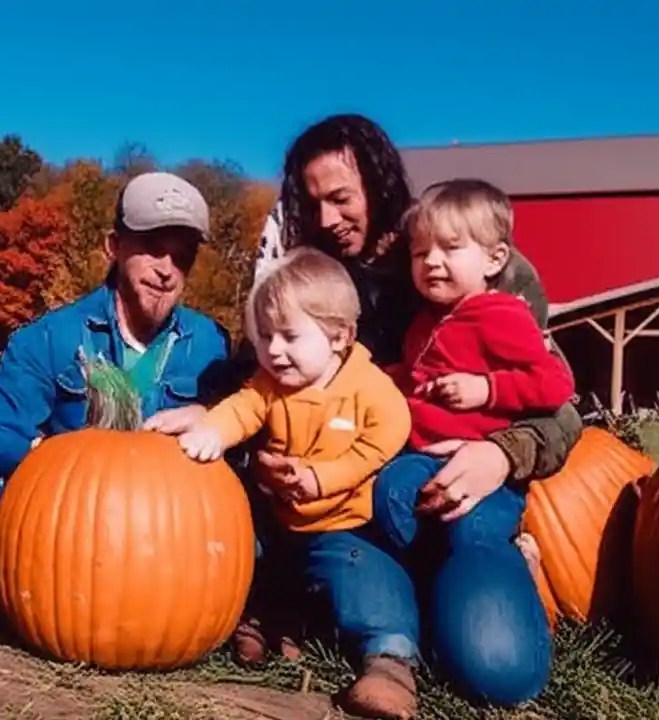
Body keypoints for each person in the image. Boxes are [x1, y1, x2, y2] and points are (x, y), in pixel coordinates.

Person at [232, 115, 584, 717]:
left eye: (341, 198)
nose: (325, 220)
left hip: (462, 480)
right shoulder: (312, 275)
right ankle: (383, 646)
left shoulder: (465, 256)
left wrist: (501, 452)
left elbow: (561, 408)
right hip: (359, 489)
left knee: (495, 666)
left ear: (379, 180)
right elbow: (268, 376)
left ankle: (494, 585)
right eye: (311, 203)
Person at [0, 171, 232, 613]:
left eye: (183, 256)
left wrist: (212, 420)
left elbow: (250, 423)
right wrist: (70, 468)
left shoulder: (211, 343)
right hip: (69, 518)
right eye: (153, 249)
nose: (166, 270)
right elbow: (0, 439)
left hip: (167, 522)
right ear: (113, 247)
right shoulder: (46, 338)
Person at [179, 246, 423, 714]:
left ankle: (390, 662)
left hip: (346, 525)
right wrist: (213, 430)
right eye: (266, 336)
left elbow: (384, 439)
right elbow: (243, 408)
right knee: (251, 557)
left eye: (289, 336)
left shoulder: (367, 388)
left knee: (368, 585)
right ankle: (265, 624)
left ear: (339, 336)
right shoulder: (270, 385)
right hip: (283, 522)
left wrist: (322, 477)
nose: (273, 350)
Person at [383, 178, 576, 518]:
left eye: (450, 248)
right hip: (422, 455)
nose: (431, 261)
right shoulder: (423, 323)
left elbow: (555, 382)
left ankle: (502, 557)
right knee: (390, 495)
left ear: (495, 259)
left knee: (473, 534)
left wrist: (488, 388)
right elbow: (418, 377)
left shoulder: (502, 315)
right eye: (420, 252)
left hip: (480, 466)